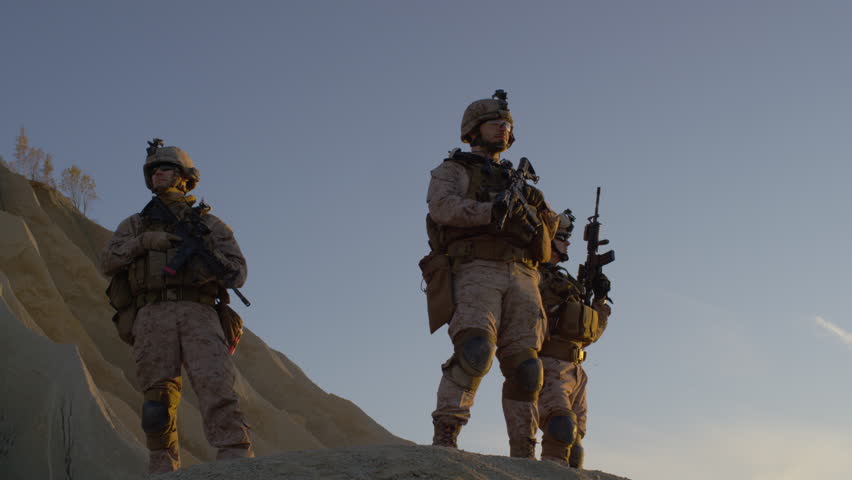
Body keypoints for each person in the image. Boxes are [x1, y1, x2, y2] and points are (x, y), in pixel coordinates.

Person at [100, 140, 253, 474]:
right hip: (151, 314)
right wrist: (143, 244)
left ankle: (235, 457)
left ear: (185, 177)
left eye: (165, 168)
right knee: (157, 401)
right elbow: (107, 261)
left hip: (198, 311)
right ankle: (162, 466)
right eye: (153, 170)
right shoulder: (135, 225)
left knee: (216, 385)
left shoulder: (210, 226)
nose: (158, 174)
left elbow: (238, 273)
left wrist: (204, 267)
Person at [425, 90, 558, 458]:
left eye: (507, 124)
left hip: (523, 276)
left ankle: (523, 453)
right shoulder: (453, 170)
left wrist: (535, 221)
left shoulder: (525, 186)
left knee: (527, 368)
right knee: (475, 349)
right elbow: (442, 208)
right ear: (473, 129)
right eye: (495, 122)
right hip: (476, 268)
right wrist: (492, 212)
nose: (502, 128)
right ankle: (446, 437)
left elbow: (554, 237)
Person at [536, 209, 612, 468]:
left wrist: (599, 300)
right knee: (560, 427)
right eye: (561, 237)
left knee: (575, 449)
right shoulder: (533, 276)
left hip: (575, 370)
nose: (567, 242)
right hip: (548, 363)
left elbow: (588, 334)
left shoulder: (566, 284)